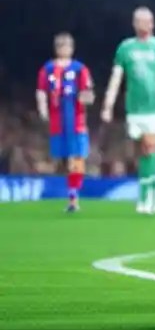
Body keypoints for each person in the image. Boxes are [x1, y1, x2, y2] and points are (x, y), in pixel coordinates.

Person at [101, 7, 155, 216]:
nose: (144, 25)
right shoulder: (125, 48)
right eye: (140, 21)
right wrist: (108, 105)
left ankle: (150, 197)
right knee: (141, 153)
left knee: (150, 148)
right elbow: (116, 78)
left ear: (153, 23)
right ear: (134, 23)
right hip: (134, 108)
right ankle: (147, 191)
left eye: (148, 21)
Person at [36, 33, 94, 213]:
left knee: (77, 158)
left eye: (67, 45)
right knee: (62, 160)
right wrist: (43, 109)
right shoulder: (47, 69)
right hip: (57, 121)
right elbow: (41, 91)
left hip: (76, 120)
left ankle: (73, 198)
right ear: (56, 48)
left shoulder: (79, 69)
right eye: (60, 45)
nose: (63, 48)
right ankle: (71, 192)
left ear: (72, 47)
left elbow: (89, 92)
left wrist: (86, 98)